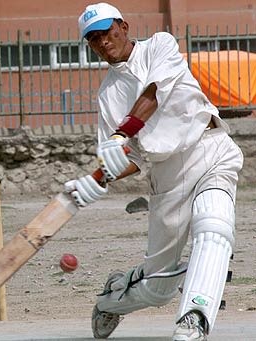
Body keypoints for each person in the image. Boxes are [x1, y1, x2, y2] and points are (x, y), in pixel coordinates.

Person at [64, 3, 243, 340]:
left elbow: (153, 93)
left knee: (214, 226)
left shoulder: (160, 45)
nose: (103, 41)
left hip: (210, 149)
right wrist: (98, 178)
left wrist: (120, 135)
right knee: (159, 286)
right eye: (94, 38)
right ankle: (111, 301)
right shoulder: (107, 96)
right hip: (167, 177)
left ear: (124, 26)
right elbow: (132, 160)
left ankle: (193, 321)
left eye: (107, 32)